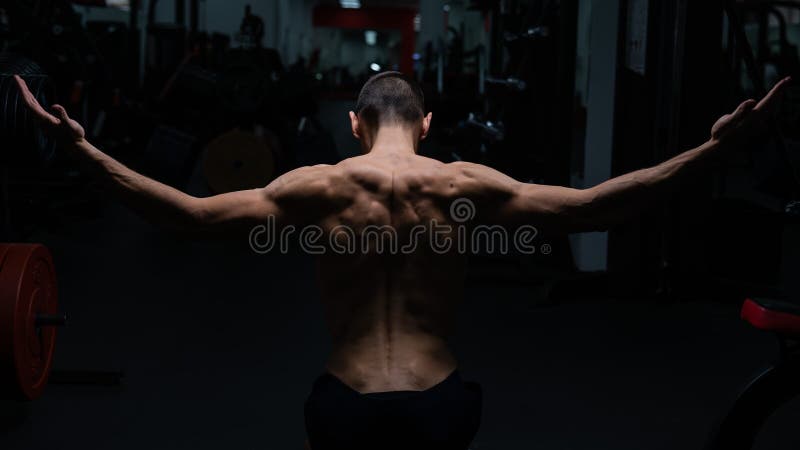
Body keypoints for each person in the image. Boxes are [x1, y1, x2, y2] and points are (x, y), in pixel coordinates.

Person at [13, 72, 790, 450]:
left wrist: (84, 152)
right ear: (428, 121)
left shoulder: (317, 185)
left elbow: (183, 214)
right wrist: (716, 148)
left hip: (343, 404)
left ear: (354, 123)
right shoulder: (463, 184)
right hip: (438, 404)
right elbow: (599, 206)